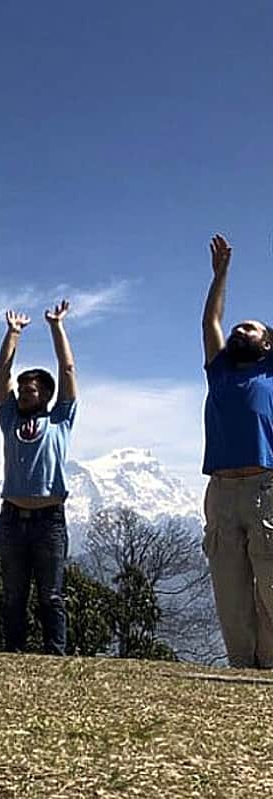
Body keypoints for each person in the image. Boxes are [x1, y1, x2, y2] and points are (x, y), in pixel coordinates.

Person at [200, 234, 273, 668]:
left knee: (271, 584)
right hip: (221, 490)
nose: (238, 330)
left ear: (267, 344)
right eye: (238, 327)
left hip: (266, 486)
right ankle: (242, 667)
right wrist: (221, 274)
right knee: (230, 589)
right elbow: (211, 320)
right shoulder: (220, 371)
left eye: (251, 327)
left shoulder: (270, 370)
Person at [0, 300, 77, 655]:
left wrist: (56, 327)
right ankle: (13, 653)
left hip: (50, 520)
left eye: (32, 390)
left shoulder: (60, 419)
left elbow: (68, 369)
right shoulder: (10, 419)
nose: (25, 394)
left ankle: (55, 656)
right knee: (14, 595)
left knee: (51, 595)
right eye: (22, 390)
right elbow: (1, 375)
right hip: (12, 518)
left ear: (46, 394)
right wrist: (13, 334)